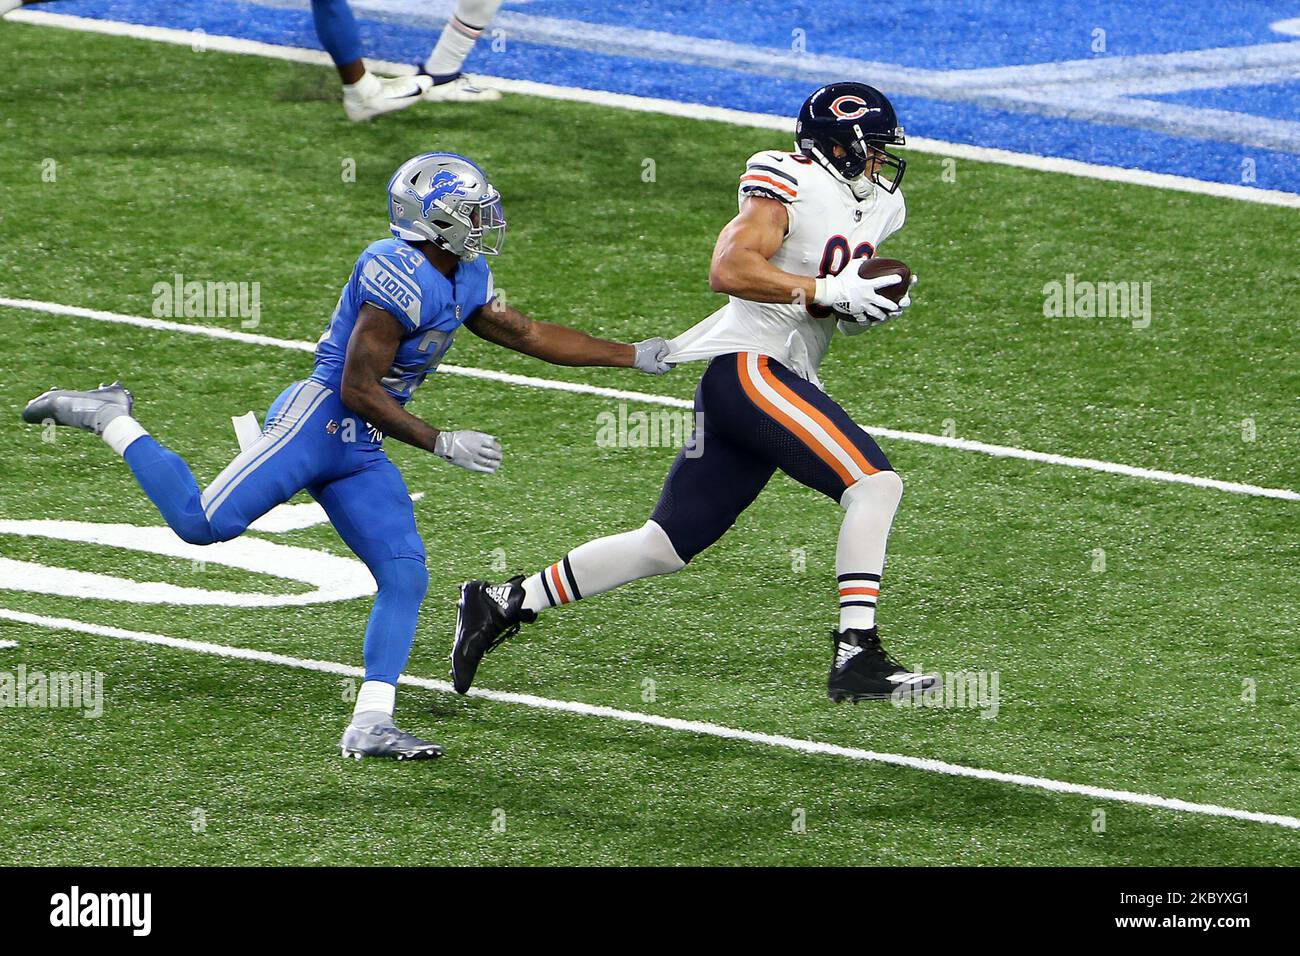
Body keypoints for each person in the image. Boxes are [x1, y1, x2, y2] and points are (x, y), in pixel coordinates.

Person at [21, 152, 674, 759]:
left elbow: (524, 332)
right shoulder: (397, 275)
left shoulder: (466, 274)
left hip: (361, 442)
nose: (484, 224)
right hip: (319, 420)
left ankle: (371, 719)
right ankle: (110, 415)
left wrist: (629, 355)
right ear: (434, 219)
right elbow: (356, 389)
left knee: (404, 572)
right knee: (200, 524)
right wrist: (439, 441)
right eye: (472, 213)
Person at [451, 83, 941, 706]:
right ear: (838, 146)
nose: (881, 163)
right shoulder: (790, 181)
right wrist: (827, 292)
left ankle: (504, 599)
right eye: (872, 150)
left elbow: (828, 295)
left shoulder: (878, 205)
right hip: (751, 370)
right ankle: (857, 653)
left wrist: (856, 306)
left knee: (664, 546)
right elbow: (730, 270)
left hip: (770, 377)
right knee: (875, 483)